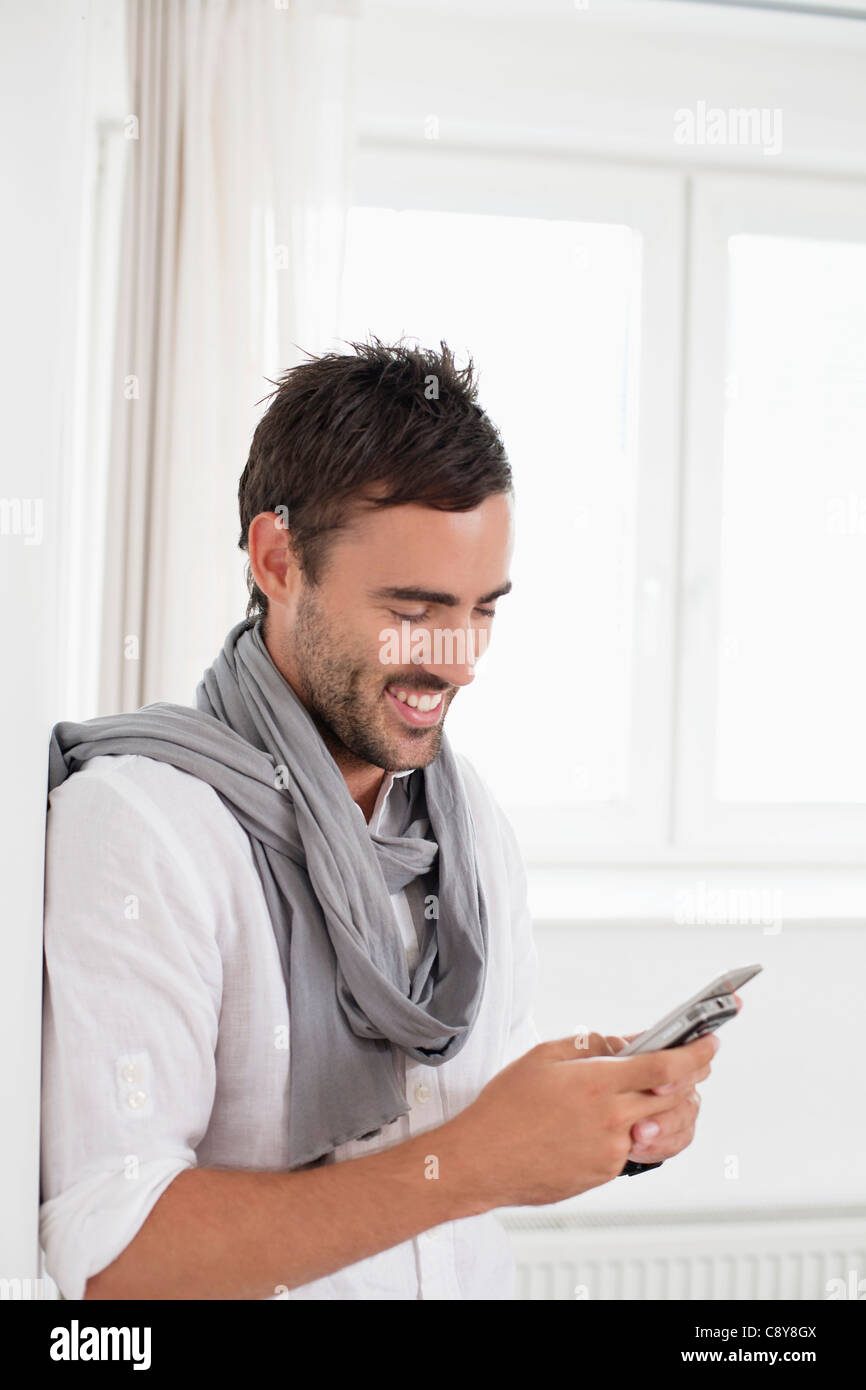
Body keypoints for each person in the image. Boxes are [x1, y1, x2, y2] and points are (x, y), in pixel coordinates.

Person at [40, 338, 719, 1301]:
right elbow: (119, 1264)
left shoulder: (461, 811)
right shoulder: (141, 829)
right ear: (278, 560)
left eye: (484, 610)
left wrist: (600, 1122)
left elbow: (454, 1120)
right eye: (414, 609)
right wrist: (476, 1163)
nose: (458, 661)